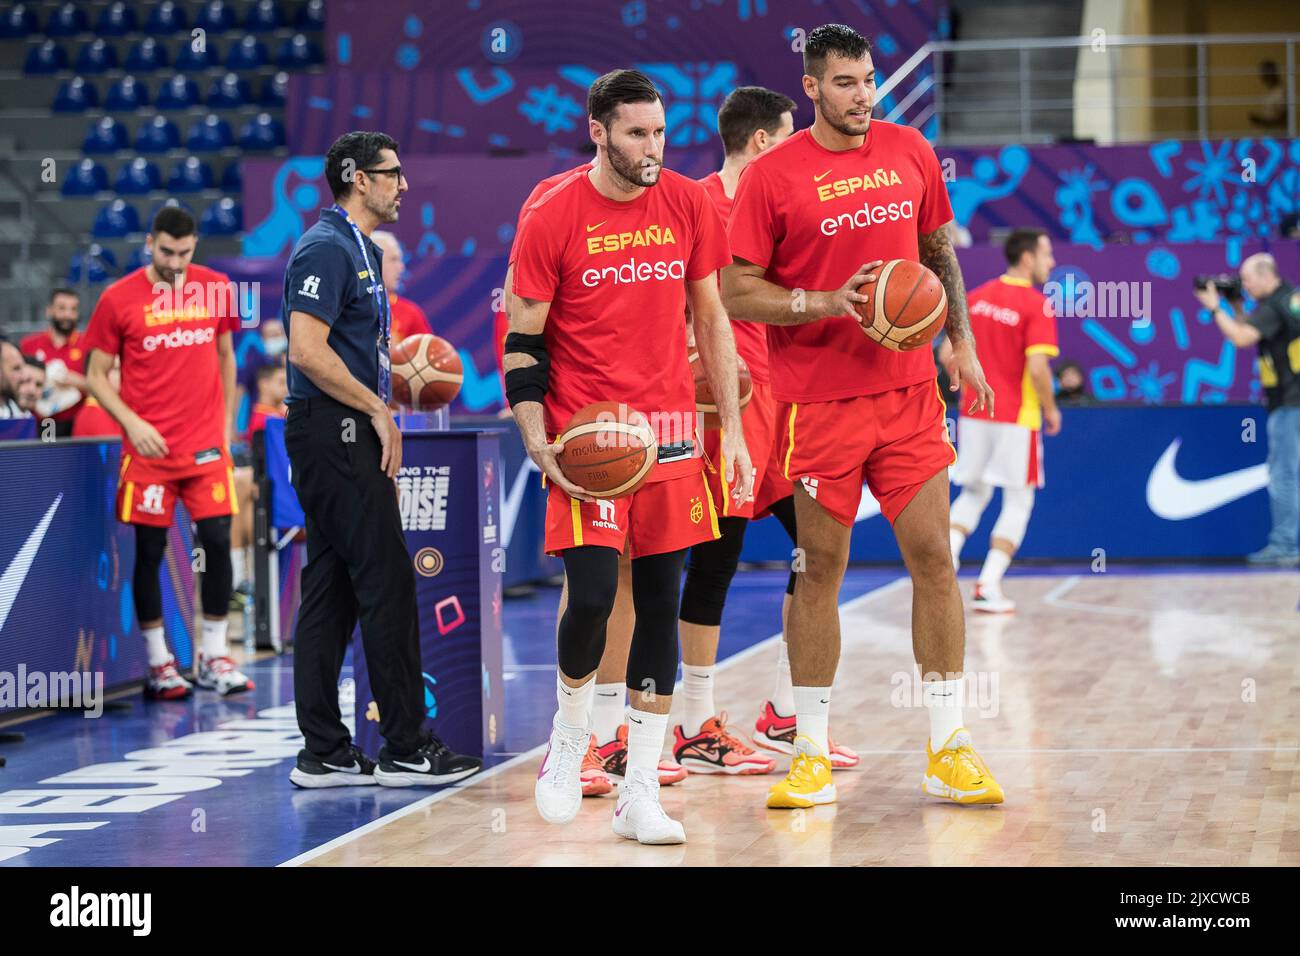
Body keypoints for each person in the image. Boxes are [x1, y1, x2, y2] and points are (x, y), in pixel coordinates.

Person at [722, 23, 1004, 809]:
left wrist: (962, 345)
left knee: (936, 562)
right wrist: (822, 302)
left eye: (869, 80)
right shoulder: (774, 175)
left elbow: (938, 251)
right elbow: (736, 289)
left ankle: (948, 744)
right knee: (820, 571)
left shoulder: (910, 148)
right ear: (810, 86)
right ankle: (808, 749)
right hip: (817, 402)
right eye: (844, 83)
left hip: (911, 395)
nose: (862, 96)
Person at [509, 69, 752, 844]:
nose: (653, 147)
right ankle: (571, 734)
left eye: (660, 132)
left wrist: (737, 431)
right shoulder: (551, 209)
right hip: (590, 441)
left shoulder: (688, 201)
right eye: (637, 133)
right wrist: (532, 431)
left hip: (673, 436)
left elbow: (712, 318)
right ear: (598, 131)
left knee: (659, 602)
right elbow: (522, 338)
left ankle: (640, 786)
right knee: (588, 597)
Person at [282, 130, 483, 788]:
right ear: (356, 178)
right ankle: (404, 746)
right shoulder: (324, 245)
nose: (403, 183)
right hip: (331, 431)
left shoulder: (361, 248)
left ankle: (326, 752)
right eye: (390, 173)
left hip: (342, 430)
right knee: (387, 582)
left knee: (332, 587)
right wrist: (374, 407)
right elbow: (306, 350)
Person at [672, 85, 799, 777]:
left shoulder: (782, 208)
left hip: (783, 404)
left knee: (819, 550)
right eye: (788, 134)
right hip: (724, 405)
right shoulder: (692, 203)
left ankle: (783, 713)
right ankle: (694, 724)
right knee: (715, 558)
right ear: (760, 142)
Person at [82, 206, 252, 699]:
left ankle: (214, 654)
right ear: (149, 242)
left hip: (204, 448)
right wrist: (131, 424)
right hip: (150, 452)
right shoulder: (118, 299)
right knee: (150, 551)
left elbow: (225, 355)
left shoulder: (215, 286)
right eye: (166, 251)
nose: (175, 262)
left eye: (184, 252)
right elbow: (96, 374)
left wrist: (224, 425)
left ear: (195, 244)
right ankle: (160, 663)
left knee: (218, 542)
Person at [943, 228, 1061, 613]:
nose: (1052, 262)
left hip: (975, 412)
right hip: (1016, 415)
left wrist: (966, 390)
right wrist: (1051, 409)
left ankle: (947, 566)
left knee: (974, 493)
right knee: (1019, 501)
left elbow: (947, 354)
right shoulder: (1035, 304)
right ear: (1027, 257)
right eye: (1046, 254)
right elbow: (1039, 368)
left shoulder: (976, 298)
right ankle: (988, 584)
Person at [1197, 252, 1300, 565]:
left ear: (1267, 275)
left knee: (1284, 474)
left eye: (1248, 279)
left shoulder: (1272, 306)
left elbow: (1242, 338)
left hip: (1290, 403)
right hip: (1292, 400)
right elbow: (1253, 327)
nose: (1245, 284)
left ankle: (1284, 545)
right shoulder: (1288, 300)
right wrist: (1239, 307)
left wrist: (1216, 308)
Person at [21, 288, 87, 435]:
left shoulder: (87, 345)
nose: (67, 315)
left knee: (75, 458)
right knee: (45, 457)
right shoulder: (29, 345)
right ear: (49, 310)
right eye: (62, 308)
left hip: (77, 422)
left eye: (73, 309)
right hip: (42, 422)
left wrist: (78, 382)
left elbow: (105, 386)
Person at [371, 230, 433, 344]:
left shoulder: (411, 313)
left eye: (400, 260)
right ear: (372, 262)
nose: (401, 267)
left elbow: (428, 357)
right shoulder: (346, 308)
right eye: (393, 259)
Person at [1249, 61, 1286, 131]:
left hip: (1278, 136)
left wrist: (1262, 121)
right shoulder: (1271, 92)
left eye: (1264, 73)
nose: (1262, 76)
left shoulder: (1280, 92)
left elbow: (1283, 118)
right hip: (1270, 135)